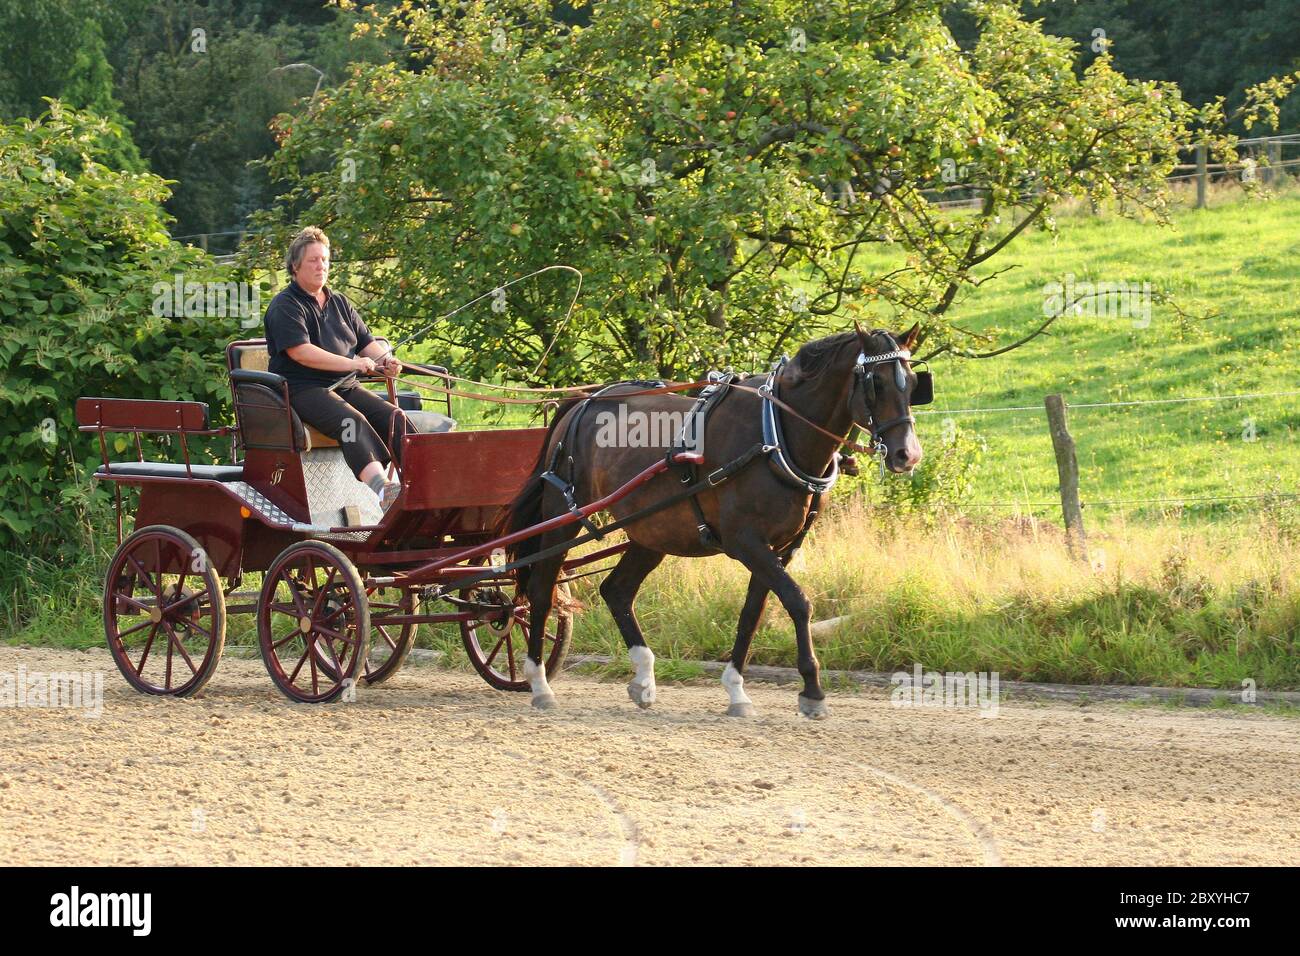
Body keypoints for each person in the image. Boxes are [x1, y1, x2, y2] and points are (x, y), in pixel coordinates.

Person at [262, 226, 407, 510]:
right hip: (303, 389)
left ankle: (421, 484)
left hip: (346, 385)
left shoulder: (339, 302)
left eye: (325, 259)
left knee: (395, 417)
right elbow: (302, 353)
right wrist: (353, 363)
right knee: (351, 423)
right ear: (295, 265)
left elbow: (368, 343)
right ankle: (383, 491)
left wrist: (385, 362)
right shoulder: (285, 306)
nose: (321, 266)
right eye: (314, 260)